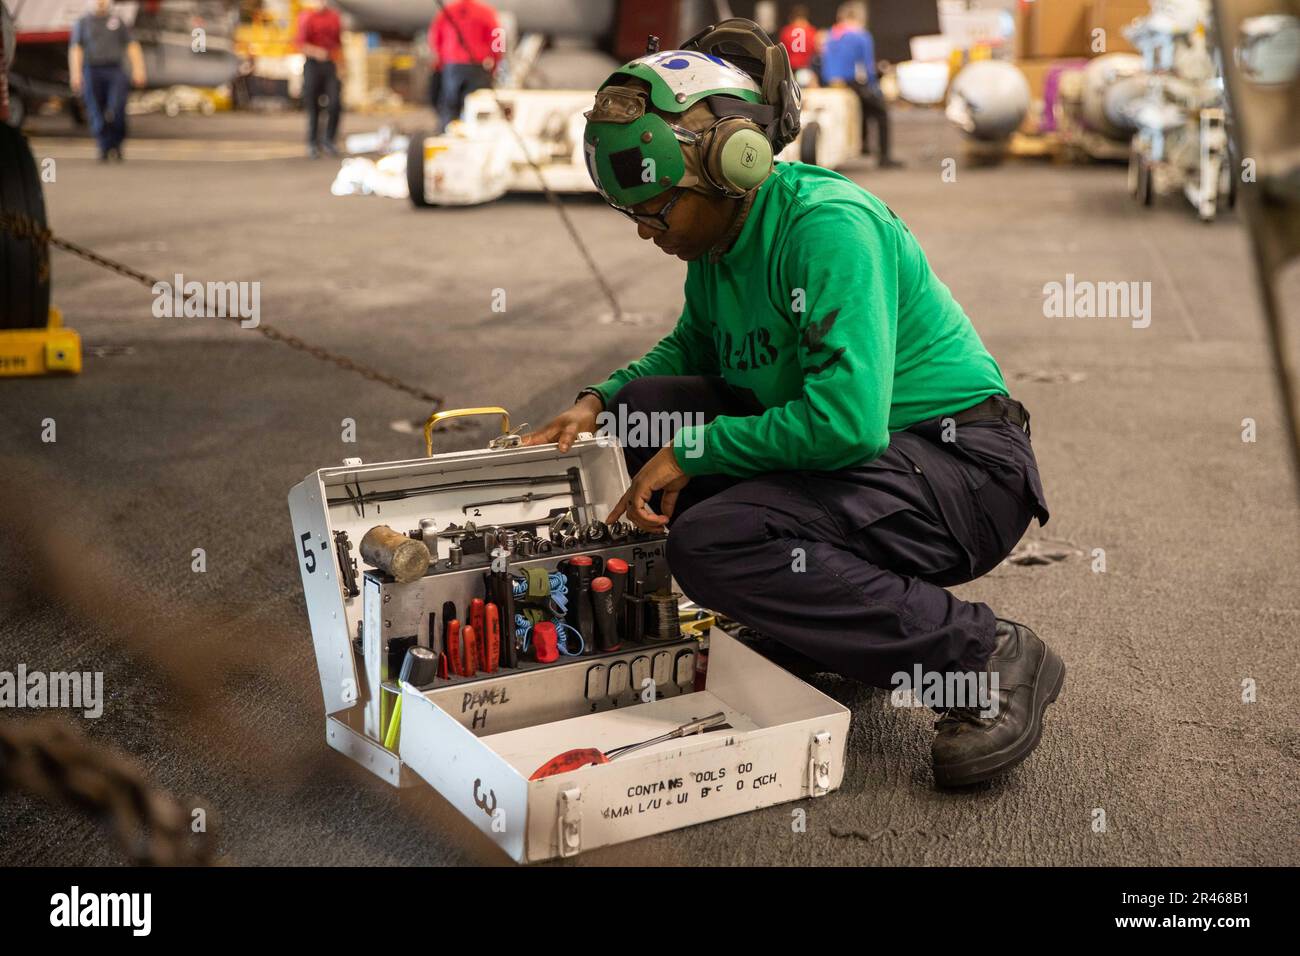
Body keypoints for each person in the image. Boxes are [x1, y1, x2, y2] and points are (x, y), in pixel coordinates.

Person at [525, 20, 1064, 788]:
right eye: (633, 215)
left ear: (728, 166)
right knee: (645, 407)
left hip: (963, 469)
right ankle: (818, 628)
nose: (647, 232)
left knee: (713, 542)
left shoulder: (827, 228)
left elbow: (844, 424)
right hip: (885, 459)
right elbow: (693, 353)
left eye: (657, 210)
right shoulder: (717, 248)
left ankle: (981, 657)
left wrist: (699, 452)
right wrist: (598, 399)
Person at [820, 2, 898, 167]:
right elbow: (867, 67)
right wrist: (875, 87)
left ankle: (864, 146)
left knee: (864, 108)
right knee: (880, 111)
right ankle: (884, 157)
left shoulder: (830, 35)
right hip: (851, 82)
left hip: (830, 83)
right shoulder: (861, 35)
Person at [68, 0, 146, 161]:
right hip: (92, 70)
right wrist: (75, 74)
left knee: (117, 108)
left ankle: (116, 142)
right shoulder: (83, 23)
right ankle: (104, 146)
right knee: (96, 109)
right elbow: (76, 49)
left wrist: (139, 69)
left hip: (114, 70)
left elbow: (132, 45)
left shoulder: (118, 21)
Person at [428, 0, 501, 134]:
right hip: (478, 67)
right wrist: (496, 61)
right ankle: (477, 138)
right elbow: (498, 38)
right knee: (477, 108)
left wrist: (441, 59)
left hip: (452, 66)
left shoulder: (447, 12)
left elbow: (435, 37)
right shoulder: (486, 12)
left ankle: (447, 138)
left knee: (450, 107)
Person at [296, 0, 344, 158]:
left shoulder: (334, 17)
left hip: (330, 64)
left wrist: (342, 66)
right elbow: (300, 43)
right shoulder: (307, 17)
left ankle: (328, 140)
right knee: (313, 105)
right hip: (313, 65)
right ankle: (312, 142)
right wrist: (317, 52)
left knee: (335, 103)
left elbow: (338, 43)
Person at [779, 5, 819, 88]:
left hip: (790, 70)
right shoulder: (812, 31)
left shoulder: (786, 31)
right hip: (807, 69)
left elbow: (781, 51)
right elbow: (816, 50)